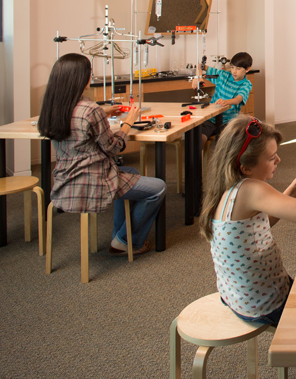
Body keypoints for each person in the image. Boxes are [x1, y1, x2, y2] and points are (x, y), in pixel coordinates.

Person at [198, 115, 296, 379]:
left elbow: (262, 222)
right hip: (264, 300)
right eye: (272, 158)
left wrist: (293, 189)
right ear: (246, 168)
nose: (278, 160)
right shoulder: (251, 188)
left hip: (238, 295)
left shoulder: (229, 190)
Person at [38, 53, 165, 255]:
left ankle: (120, 238)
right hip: (94, 181)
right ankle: (126, 240)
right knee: (158, 188)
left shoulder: (53, 107)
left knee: (130, 171)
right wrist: (128, 123)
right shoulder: (90, 109)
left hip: (64, 180)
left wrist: (103, 112)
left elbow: (77, 122)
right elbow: (114, 147)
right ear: (82, 78)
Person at [191, 52, 254, 146]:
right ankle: (197, 155)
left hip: (229, 122)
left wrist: (225, 102)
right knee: (198, 140)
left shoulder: (246, 84)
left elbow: (238, 99)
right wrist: (198, 77)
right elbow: (200, 66)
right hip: (212, 119)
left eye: (238, 69)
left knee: (225, 144)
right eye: (232, 67)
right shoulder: (223, 75)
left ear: (247, 69)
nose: (234, 71)